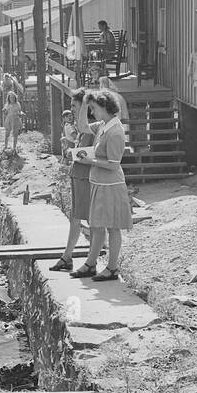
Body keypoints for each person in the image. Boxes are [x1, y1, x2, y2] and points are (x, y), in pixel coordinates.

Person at [71, 90, 131, 282]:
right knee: (97, 225)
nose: (93, 113)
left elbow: (114, 164)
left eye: (94, 109)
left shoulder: (115, 131)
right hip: (98, 183)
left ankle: (112, 268)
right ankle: (91, 263)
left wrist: (91, 161)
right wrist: (84, 105)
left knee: (113, 227)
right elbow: (82, 126)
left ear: (105, 107)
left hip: (111, 185)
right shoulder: (104, 125)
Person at [50, 88, 96, 272]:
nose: (72, 109)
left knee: (90, 219)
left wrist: (72, 153)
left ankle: (88, 259)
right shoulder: (81, 127)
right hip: (77, 175)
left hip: (85, 177)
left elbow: (93, 153)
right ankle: (67, 256)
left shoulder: (92, 128)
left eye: (74, 105)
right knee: (75, 218)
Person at [2, 80, 24, 152]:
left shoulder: (17, 104)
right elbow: (5, 111)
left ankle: (14, 148)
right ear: (8, 98)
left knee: (15, 134)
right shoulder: (7, 104)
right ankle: (5, 146)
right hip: (9, 119)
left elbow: (19, 111)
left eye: (13, 98)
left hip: (15, 119)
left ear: (15, 98)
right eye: (10, 98)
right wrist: (4, 110)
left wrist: (21, 113)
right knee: (7, 133)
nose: (12, 99)